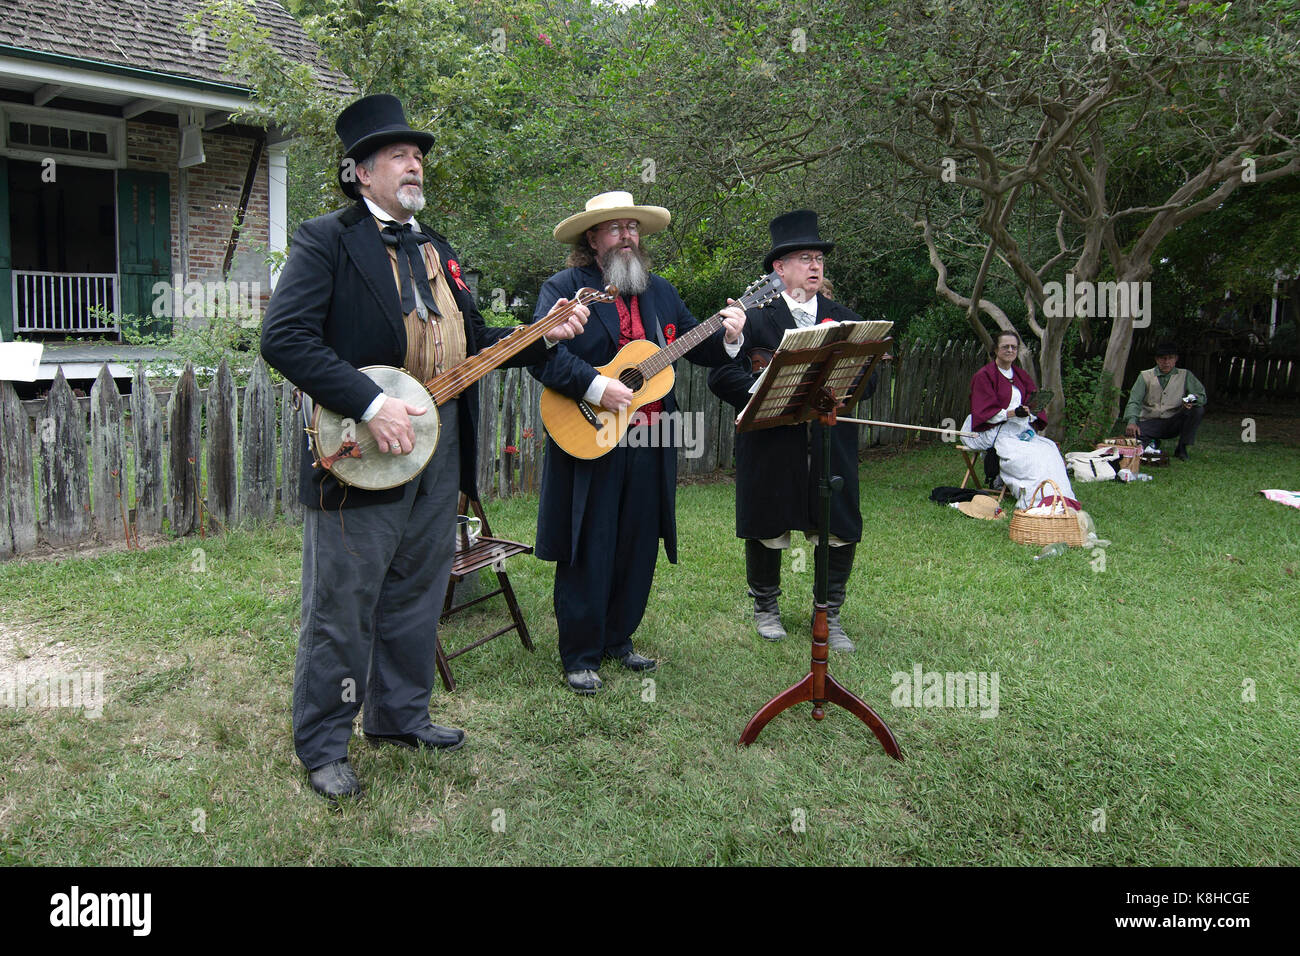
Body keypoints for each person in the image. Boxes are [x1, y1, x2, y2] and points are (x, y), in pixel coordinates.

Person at [260, 95, 587, 802]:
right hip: (361, 451)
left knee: (415, 594)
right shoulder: (325, 241)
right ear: (359, 172)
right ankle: (322, 743)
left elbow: (473, 349)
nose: (415, 162)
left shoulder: (438, 249)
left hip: (437, 453)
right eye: (398, 154)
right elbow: (283, 339)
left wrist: (543, 340)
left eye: (418, 154)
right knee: (342, 604)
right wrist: (371, 402)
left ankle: (399, 716)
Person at [528, 191, 746, 695]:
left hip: (651, 438)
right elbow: (541, 356)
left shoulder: (661, 292)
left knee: (637, 541)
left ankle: (618, 638)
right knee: (590, 541)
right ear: (593, 239)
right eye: (615, 228)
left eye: (633, 228)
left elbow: (701, 346)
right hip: (590, 432)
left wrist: (731, 335)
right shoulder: (565, 288)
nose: (627, 236)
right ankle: (580, 654)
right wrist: (597, 387)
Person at [707, 210, 875, 652]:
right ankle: (766, 608)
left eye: (818, 257)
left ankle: (830, 613)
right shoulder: (752, 318)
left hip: (828, 442)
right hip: (770, 441)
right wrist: (758, 386)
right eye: (805, 258)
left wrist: (849, 380)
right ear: (779, 269)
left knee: (837, 524)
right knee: (767, 522)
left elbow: (870, 378)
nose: (815, 266)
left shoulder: (846, 319)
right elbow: (720, 377)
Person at [965, 330, 1079, 510]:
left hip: (1021, 431)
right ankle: (1037, 501)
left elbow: (1032, 403)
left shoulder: (1020, 375)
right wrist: (1011, 413)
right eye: (1005, 347)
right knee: (1030, 458)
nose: (1010, 350)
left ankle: (1061, 498)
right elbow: (983, 411)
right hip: (996, 431)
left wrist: (1030, 411)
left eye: (1014, 347)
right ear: (995, 349)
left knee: (1049, 451)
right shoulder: (984, 376)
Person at [1123, 341, 1207, 460]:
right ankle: (1153, 441)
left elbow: (1201, 396)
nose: (1166, 362)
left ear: (1176, 359)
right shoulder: (1145, 376)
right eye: (1163, 358)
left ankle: (1182, 447)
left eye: (1170, 358)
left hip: (1174, 420)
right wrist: (1132, 421)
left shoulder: (1185, 375)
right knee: (1135, 442)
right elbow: (1134, 401)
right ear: (1157, 359)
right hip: (1149, 420)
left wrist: (1189, 400)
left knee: (1198, 410)